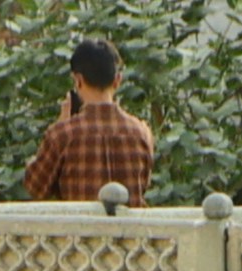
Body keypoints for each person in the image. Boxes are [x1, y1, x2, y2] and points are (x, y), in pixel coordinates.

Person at [20, 39, 157, 201]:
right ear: (117, 80)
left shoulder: (62, 134)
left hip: (80, 226)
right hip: (128, 226)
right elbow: (143, 186)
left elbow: (35, 188)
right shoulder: (141, 133)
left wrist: (60, 124)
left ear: (78, 80)